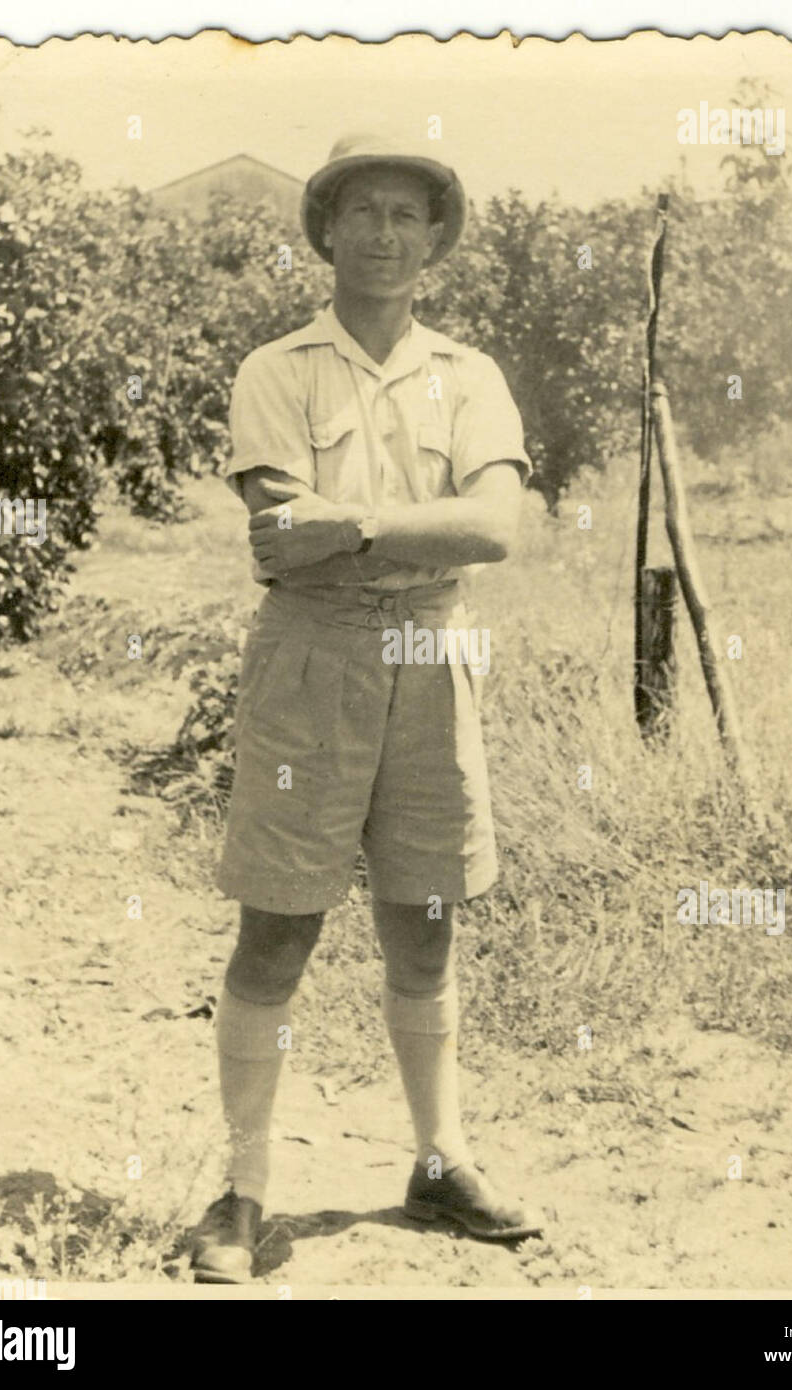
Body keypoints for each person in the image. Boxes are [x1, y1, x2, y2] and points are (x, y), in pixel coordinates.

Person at [192, 131, 541, 1283]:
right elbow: (280, 541)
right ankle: (241, 1186)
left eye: (410, 214)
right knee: (280, 923)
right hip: (311, 662)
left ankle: (438, 1159)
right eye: (366, 212)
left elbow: (496, 528)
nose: (388, 234)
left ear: (435, 239)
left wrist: (360, 522)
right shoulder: (274, 370)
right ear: (326, 229)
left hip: (431, 658)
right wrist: (407, 523)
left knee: (425, 915)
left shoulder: (470, 373)